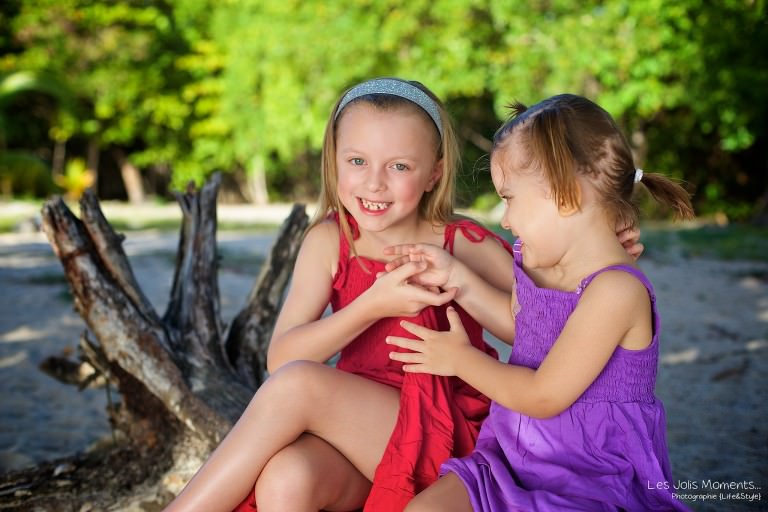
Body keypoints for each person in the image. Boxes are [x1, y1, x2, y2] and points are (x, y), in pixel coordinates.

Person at [164, 81, 641, 512]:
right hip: (358, 427)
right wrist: (373, 304)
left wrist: (598, 245)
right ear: (333, 161)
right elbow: (282, 358)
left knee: (300, 388)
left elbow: (540, 326)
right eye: (357, 161)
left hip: (445, 425)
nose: (374, 182)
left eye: (398, 166)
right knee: (287, 479)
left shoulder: (461, 242)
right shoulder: (330, 242)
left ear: (434, 173)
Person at [384, 94, 694, 511]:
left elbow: (544, 396)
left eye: (509, 198)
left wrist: (460, 360)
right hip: (513, 461)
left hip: (591, 478)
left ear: (565, 194)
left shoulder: (616, 292)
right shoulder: (542, 263)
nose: (506, 219)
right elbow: (529, 335)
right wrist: (457, 279)